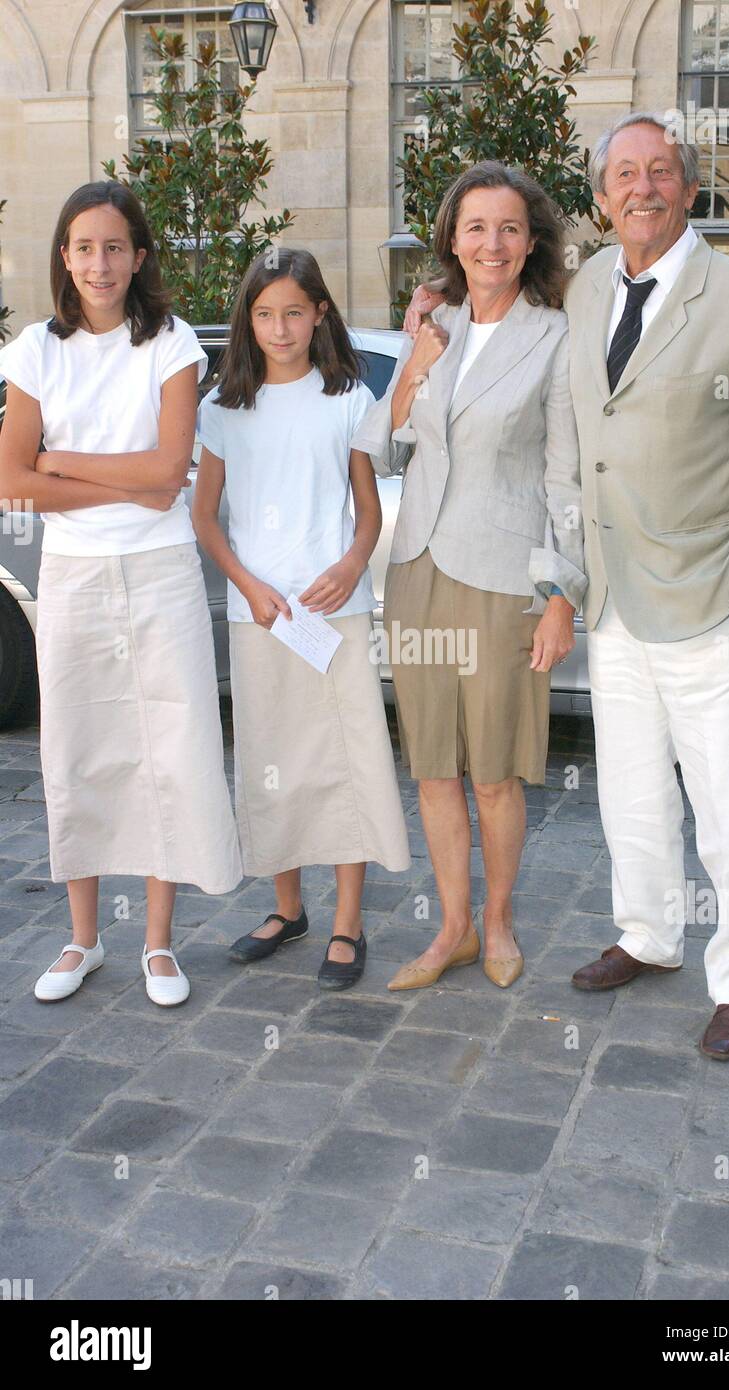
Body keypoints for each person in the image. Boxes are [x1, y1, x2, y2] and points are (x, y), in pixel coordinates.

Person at [406, 114, 729, 1058]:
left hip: (707, 600)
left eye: (661, 172)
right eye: (623, 175)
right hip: (612, 603)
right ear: (600, 199)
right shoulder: (589, 289)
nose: (642, 188)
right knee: (629, 792)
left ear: (687, 187)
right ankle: (648, 934)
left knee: (727, 805)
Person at [0, 180, 242, 1008]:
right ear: (63, 257)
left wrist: (61, 461)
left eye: (113, 247)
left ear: (139, 256)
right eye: (82, 247)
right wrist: (119, 482)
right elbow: (11, 484)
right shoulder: (36, 349)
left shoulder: (170, 344)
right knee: (78, 748)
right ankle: (83, 939)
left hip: (161, 572)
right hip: (71, 574)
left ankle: (160, 945)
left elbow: (169, 473)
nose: (98, 263)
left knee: (167, 749)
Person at [353, 161, 585, 992]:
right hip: (416, 570)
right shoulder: (435, 325)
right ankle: (450, 925)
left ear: (530, 243)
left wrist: (559, 592)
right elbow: (383, 447)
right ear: (452, 237)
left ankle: (497, 923)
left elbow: (566, 478)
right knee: (431, 768)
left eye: (509, 228)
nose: (492, 243)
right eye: (476, 227)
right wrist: (415, 354)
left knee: (492, 769)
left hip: (500, 578)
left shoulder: (555, 335)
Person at [192, 247, 410, 991]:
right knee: (270, 762)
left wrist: (353, 563)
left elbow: (367, 510)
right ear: (246, 321)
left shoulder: (347, 397)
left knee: (341, 762)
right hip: (260, 617)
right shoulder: (222, 407)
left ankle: (347, 920)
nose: (279, 328)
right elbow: (206, 517)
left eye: (293, 312)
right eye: (263, 314)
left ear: (319, 313)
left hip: (334, 615)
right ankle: (288, 910)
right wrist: (248, 587)